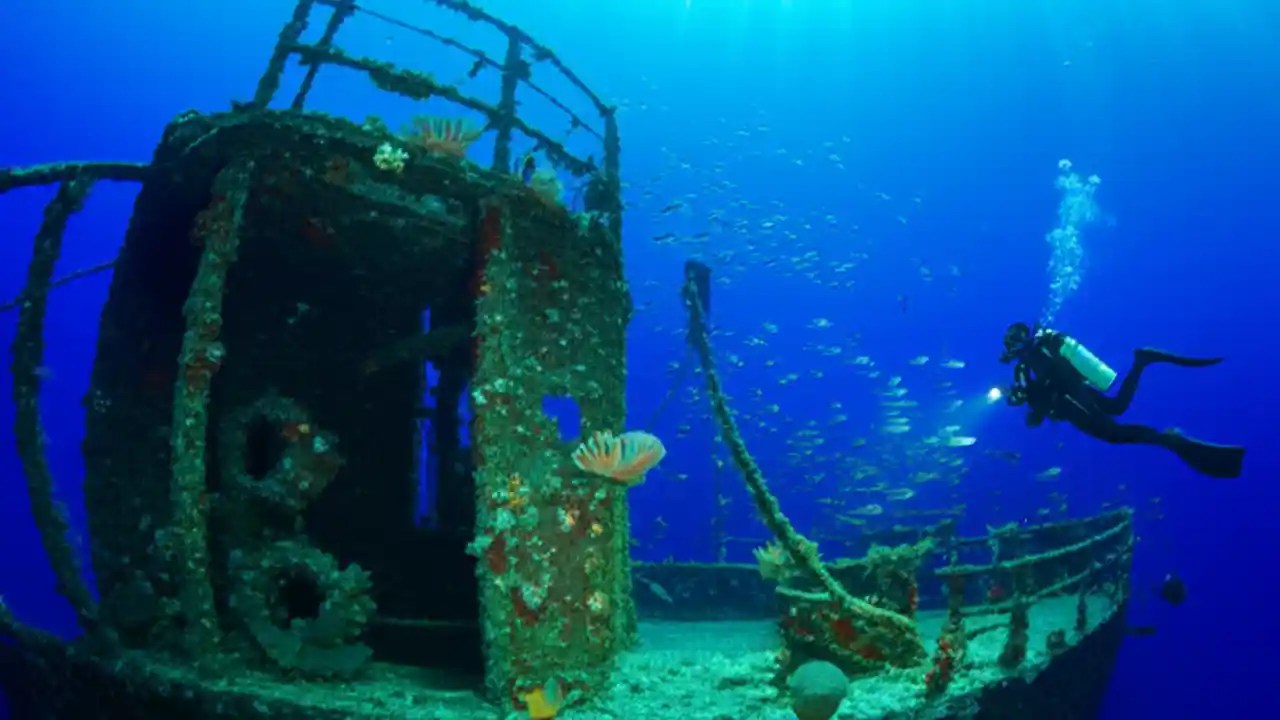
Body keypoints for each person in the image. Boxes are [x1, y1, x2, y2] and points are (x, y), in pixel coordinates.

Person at [999, 322, 1245, 478]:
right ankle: (1142, 361)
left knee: (1113, 434)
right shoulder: (1038, 353)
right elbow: (1042, 392)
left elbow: (1040, 398)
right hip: (1080, 391)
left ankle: (1168, 440)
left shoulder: (1029, 362)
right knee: (1117, 406)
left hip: (1070, 403)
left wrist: (1027, 400)